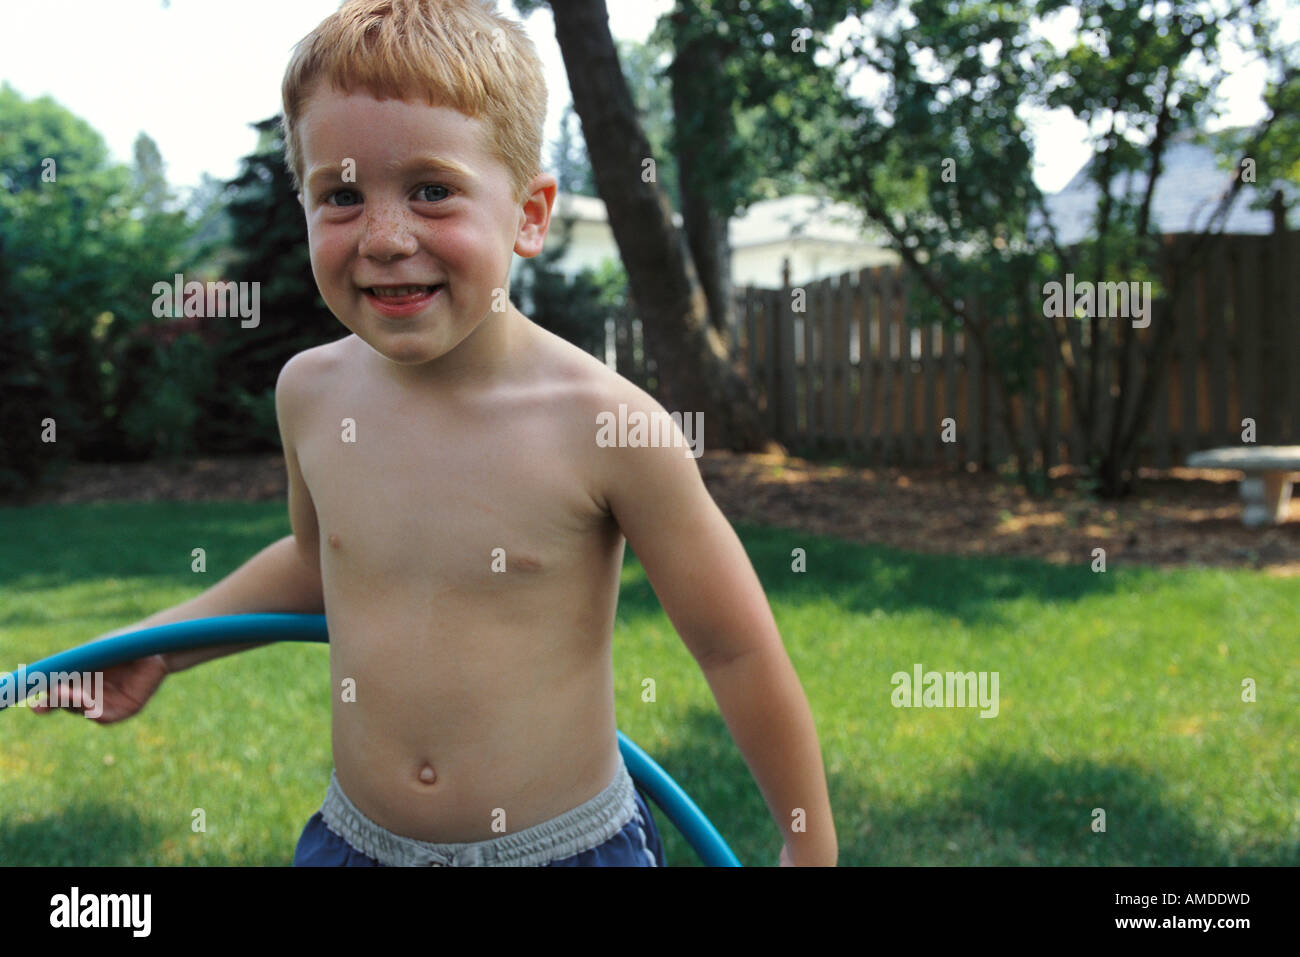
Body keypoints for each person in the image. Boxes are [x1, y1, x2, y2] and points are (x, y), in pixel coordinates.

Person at [35, 0, 837, 867]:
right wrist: (161, 645)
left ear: (530, 214)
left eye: (431, 190)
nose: (384, 238)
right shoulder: (310, 392)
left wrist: (808, 846)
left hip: (561, 851)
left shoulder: (607, 424)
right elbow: (318, 563)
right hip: (356, 843)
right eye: (341, 196)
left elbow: (734, 644)